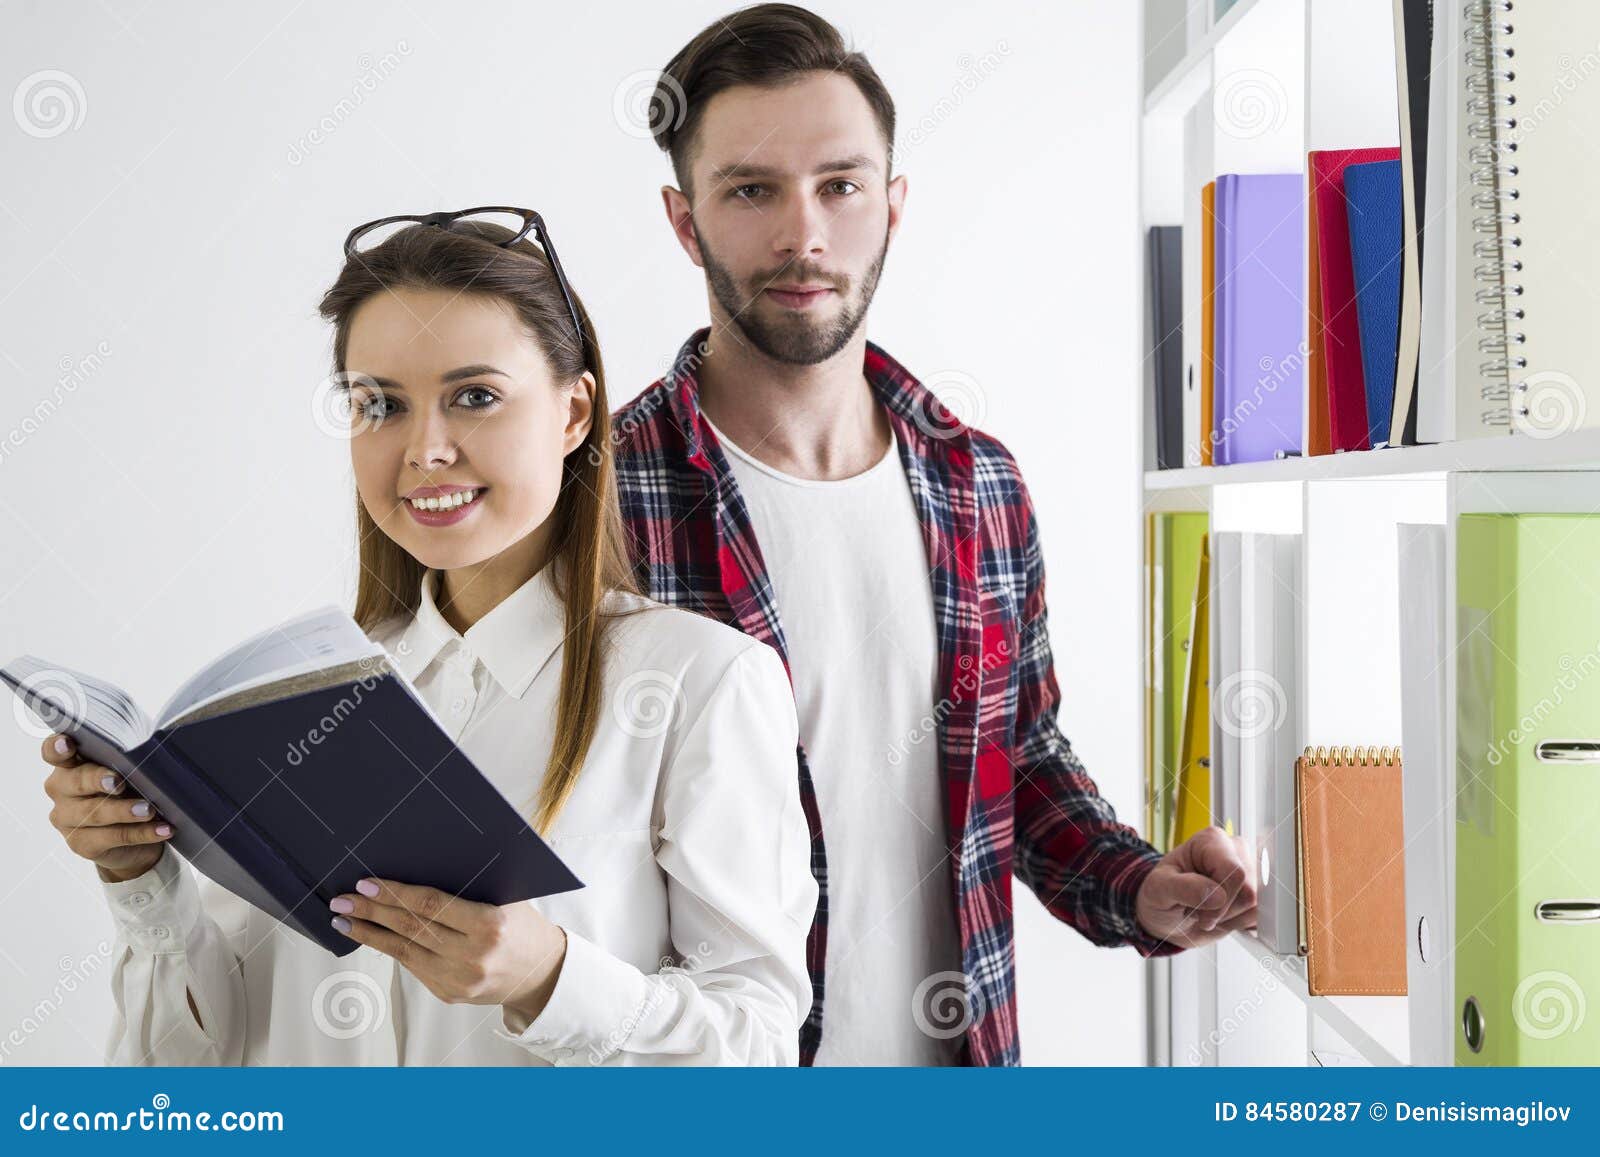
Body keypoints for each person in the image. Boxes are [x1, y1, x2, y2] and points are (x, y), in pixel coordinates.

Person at [611, 5, 1258, 1065]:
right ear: (685, 223)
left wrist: (1141, 885)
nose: (802, 233)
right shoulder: (602, 495)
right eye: (750, 190)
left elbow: (1021, 753)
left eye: (840, 184)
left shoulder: (975, 481)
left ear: (892, 205)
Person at [38, 208, 816, 1066]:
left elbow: (760, 1055)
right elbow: (197, 1062)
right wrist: (138, 877)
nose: (425, 449)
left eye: (474, 396)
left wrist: (549, 978)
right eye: (381, 405)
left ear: (573, 411)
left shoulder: (703, 683)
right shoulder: (304, 701)